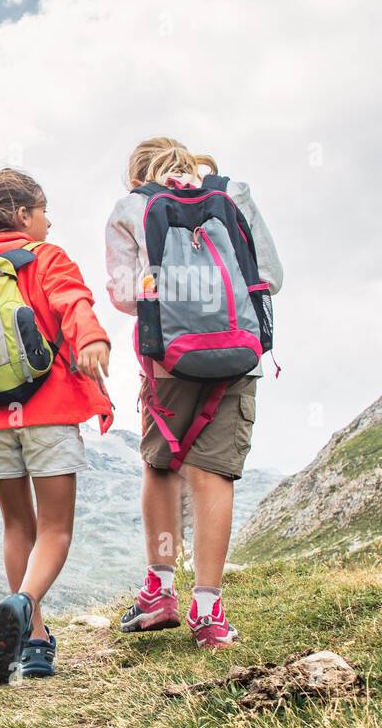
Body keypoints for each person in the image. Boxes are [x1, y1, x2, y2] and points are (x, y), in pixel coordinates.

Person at [0, 168, 111, 681]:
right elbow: (73, 301)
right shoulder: (45, 258)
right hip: (48, 412)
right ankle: (24, 606)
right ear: (21, 216)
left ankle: (33, 643)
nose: (49, 221)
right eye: (43, 210)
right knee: (55, 529)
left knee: (17, 526)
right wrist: (92, 340)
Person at [105, 137, 283, 648]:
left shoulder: (132, 206)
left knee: (162, 467)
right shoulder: (235, 196)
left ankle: (160, 591)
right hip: (236, 355)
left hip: (168, 361)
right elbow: (269, 277)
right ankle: (208, 610)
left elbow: (122, 295)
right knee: (214, 474)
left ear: (138, 174)